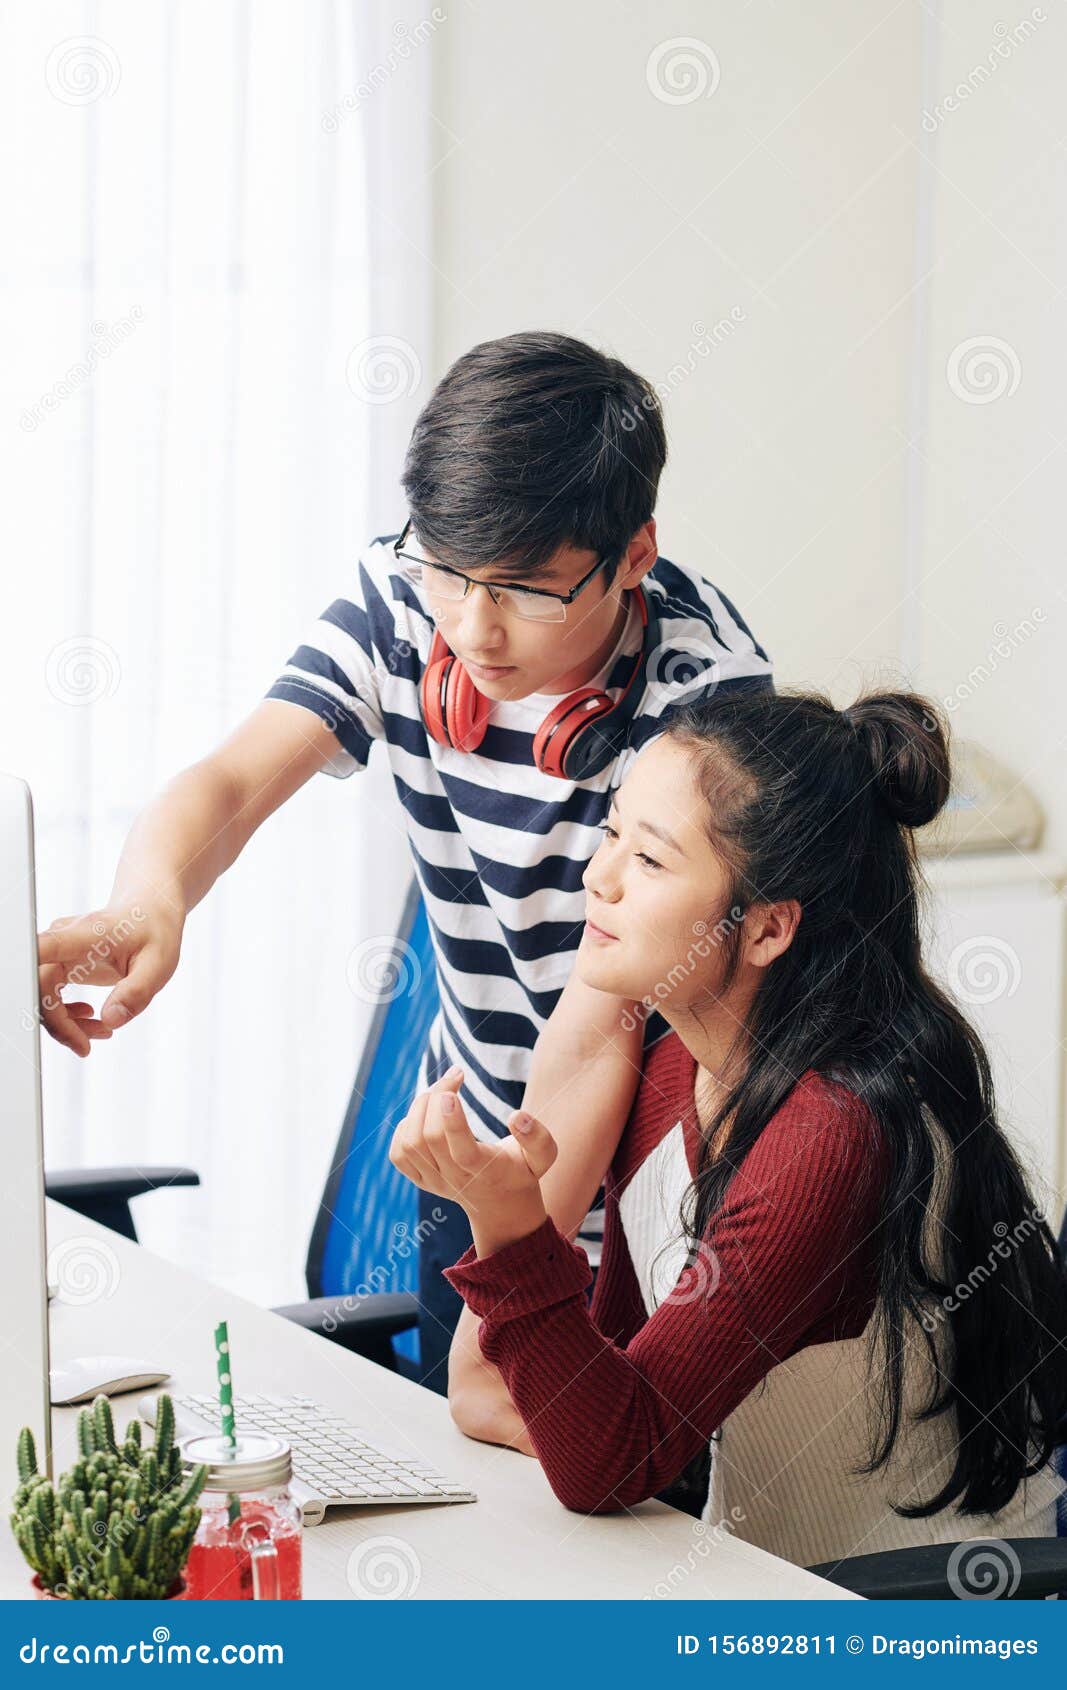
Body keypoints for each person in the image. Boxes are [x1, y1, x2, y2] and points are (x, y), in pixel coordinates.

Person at [34, 329, 771, 1390]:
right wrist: (145, 902)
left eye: (525, 589)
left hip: (642, 1206)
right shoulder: (404, 599)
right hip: (476, 1157)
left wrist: (514, 1282)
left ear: (633, 556)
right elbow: (234, 781)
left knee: (587, 1469)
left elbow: (598, 1029)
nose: (472, 628)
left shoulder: (706, 709)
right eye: (448, 573)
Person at [389, 689, 1067, 1566]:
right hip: (744, 1573)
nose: (599, 878)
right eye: (610, 834)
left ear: (767, 928)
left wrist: (509, 1222)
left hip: (894, 1606)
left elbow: (611, 1459)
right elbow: (601, 1395)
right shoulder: (673, 1068)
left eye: (650, 859)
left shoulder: (837, 1133)